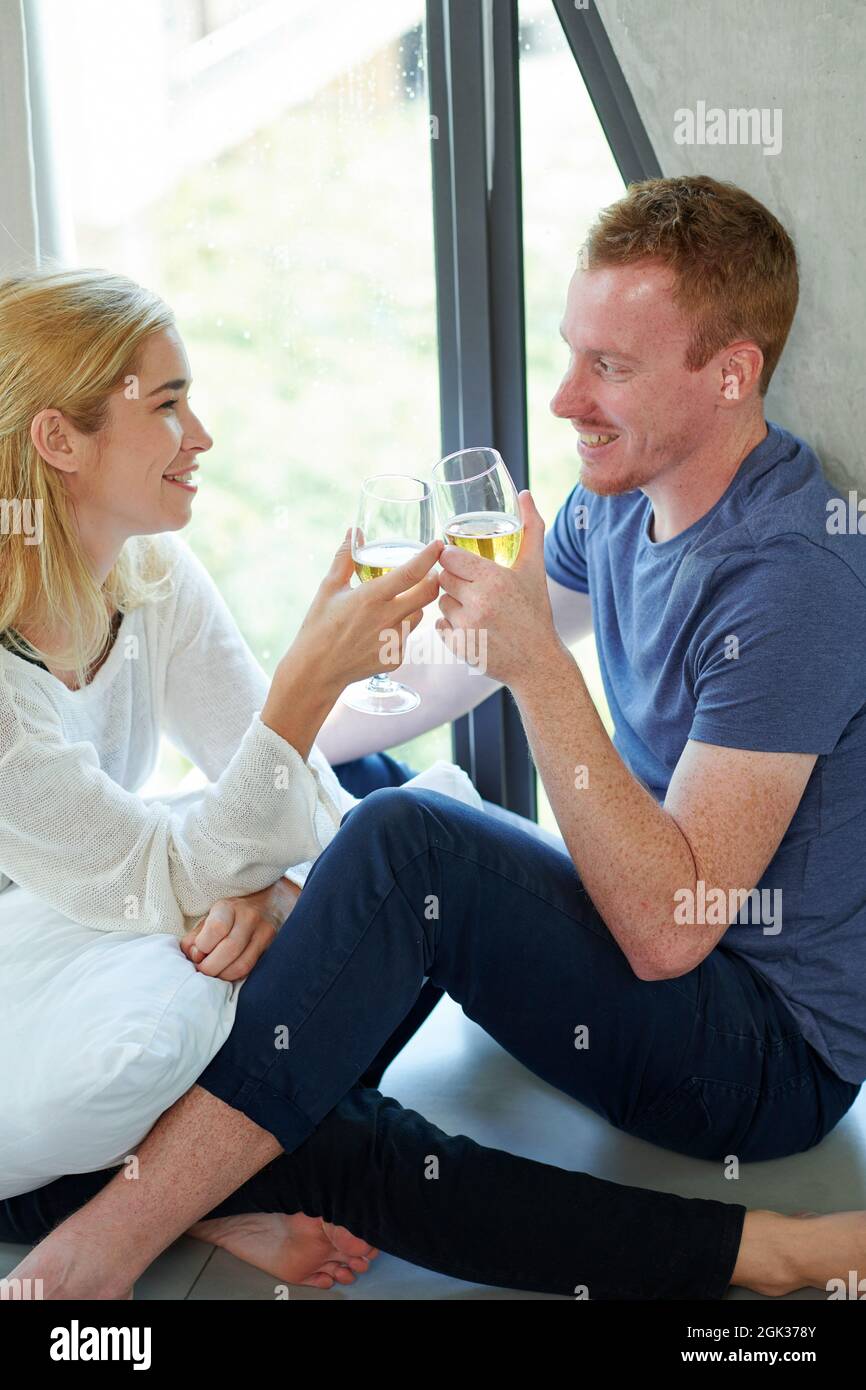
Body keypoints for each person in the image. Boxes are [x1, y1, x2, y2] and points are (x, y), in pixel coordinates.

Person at [4, 171, 866, 1300]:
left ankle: (126, 1222)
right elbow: (432, 682)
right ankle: (234, 1171)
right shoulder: (621, 493)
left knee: (404, 842)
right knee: (356, 798)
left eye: (607, 367)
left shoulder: (789, 578)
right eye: (569, 353)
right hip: (642, 932)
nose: (561, 401)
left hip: (754, 1057)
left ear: (730, 372)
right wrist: (321, 708)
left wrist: (526, 674)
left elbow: (667, 934)